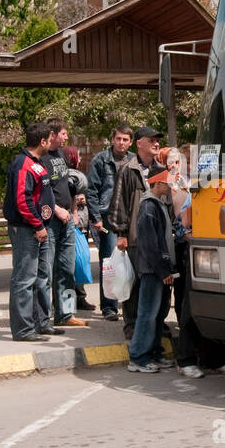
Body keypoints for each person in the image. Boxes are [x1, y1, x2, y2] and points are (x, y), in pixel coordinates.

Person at [166, 146, 225, 379]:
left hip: (213, 250)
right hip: (192, 251)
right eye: (170, 162)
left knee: (215, 306)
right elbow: (184, 229)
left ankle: (214, 359)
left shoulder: (207, 185)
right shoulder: (181, 188)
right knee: (191, 307)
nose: (174, 167)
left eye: (178, 162)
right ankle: (186, 359)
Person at [3, 121, 57, 343]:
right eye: (50, 139)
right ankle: (23, 329)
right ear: (42, 141)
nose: (52, 143)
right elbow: (22, 200)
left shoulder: (37, 163)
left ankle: (40, 323)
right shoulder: (23, 164)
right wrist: (37, 225)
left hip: (39, 228)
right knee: (24, 279)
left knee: (40, 277)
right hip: (27, 229)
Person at [106, 125, 160, 342]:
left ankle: (155, 323)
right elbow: (118, 202)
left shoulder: (161, 169)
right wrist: (120, 232)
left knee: (156, 286)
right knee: (134, 284)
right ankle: (131, 325)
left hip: (157, 239)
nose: (156, 144)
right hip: (136, 238)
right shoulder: (128, 170)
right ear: (139, 144)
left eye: (158, 140)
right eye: (152, 140)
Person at [127, 163, 176, 373]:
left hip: (161, 270)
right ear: (157, 182)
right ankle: (138, 357)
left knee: (158, 314)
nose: (170, 185)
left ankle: (154, 352)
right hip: (153, 271)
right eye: (167, 181)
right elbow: (149, 245)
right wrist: (163, 271)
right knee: (147, 314)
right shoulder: (149, 207)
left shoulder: (159, 204)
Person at [42, 118, 88, 329]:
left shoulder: (60, 155)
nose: (66, 137)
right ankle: (43, 317)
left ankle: (66, 313)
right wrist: (56, 209)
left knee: (67, 270)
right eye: (63, 133)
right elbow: (42, 190)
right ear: (52, 134)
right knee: (47, 271)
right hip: (50, 222)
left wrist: (73, 209)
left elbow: (65, 185)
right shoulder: (41, 158)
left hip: (68, 220)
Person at [86, 123, 133, 321]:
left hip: (131, 216)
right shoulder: (101, 160)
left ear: (130, 142)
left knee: (132, 261)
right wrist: (96, 218)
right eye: (118, 138)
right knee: (110, 262)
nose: (121, 142)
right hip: (108, 217)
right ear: (112, 139)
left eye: (125, 139)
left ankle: (129, 303)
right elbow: (92, 190)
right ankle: (109, 306)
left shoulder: (134, 160)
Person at [64, 145, 96, 312]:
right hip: (72, 225)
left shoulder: (76, 175)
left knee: (80, 263)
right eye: (78, 156)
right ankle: (67, 304)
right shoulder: (72, 176)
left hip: (81, 226)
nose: (81, 158)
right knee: (70, 265)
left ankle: (79, 298)